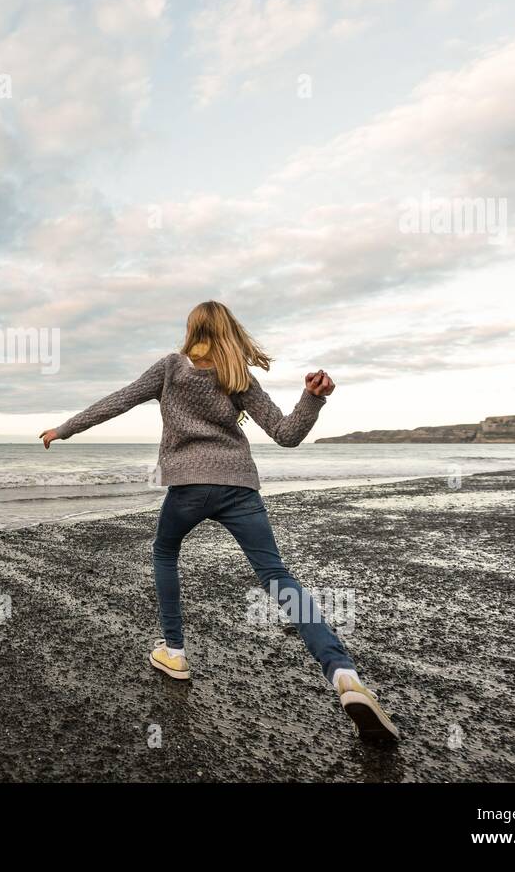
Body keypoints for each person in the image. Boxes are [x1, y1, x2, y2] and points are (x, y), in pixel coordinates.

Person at [39, 300, 399, 741]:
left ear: (192, 330)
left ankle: (174, 652)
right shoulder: (237, 374)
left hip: (188, 488)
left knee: (165, 553)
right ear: (230, 330)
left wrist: (64, 429)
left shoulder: (172, 367)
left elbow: (118, 401)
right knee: (276, 576)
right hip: (238, 487)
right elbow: (287, 435)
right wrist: (312, 398)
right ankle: (344, 675)